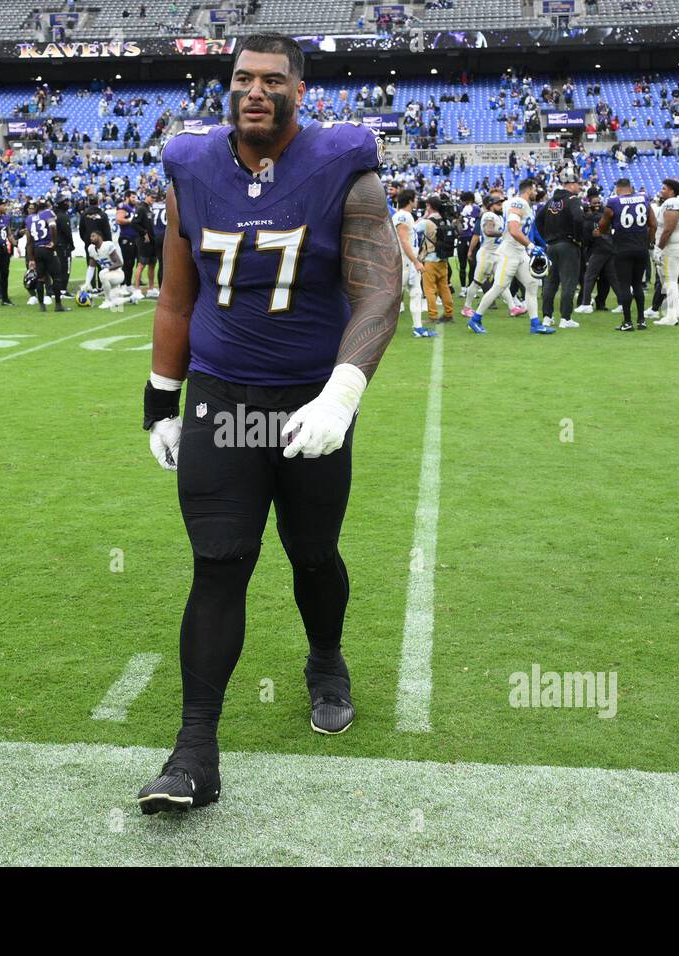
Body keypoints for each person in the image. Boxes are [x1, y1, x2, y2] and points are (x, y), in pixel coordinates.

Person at [137, 33, 401, 813]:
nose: (255, 91)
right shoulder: (191, 167)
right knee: (219, 561)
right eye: (243, 78)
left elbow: (380, 289)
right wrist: (159, 399)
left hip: (310, 401)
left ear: (299, 91)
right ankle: (193, 755)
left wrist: (342, 393)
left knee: (313, 554)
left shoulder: (342, 165)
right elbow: (177, 297)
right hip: (223, 400)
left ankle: (326, 658)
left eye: (272, 80)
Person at [468, 178, 550, 335]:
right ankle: (475, 319)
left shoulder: (521, 204)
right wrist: (531, 246)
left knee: (532, 284)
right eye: (534, 189)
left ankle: (535, 323)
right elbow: (513, 229)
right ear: (529, 189)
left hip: (519, 251)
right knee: (498, 287)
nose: (536, 192)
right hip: (509, 252)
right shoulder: (518, 202)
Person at [595, 178, 654, 332]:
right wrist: (648, 242)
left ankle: (627, 322)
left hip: (623, 249)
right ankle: (641, 321)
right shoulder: (643, 198)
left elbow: (602, 225)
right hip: (641, 248)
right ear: (630, 187)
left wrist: (602, 231)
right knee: (637, 285)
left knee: (624, 285)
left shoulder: (613, 202)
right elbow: (653, 224)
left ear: (617, 188)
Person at [539, 171, 584, 330]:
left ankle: (547, 316)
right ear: (571, 185)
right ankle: (565, 318)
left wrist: (546, 237)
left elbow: (539, 219)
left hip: (551, 246)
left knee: (550, 283)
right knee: (568, 282)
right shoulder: (572, 199)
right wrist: (578, 238)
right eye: (577, 183)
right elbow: (579, 218)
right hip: (568, 245)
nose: (579, 186)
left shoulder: (551, 201)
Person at [392, 187, 433, 337]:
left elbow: (411, 231)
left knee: (416, 293)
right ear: (410, 200)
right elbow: (403, 240)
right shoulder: (402, 216)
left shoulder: (406, 215)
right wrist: (415, 261)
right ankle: (375, 328)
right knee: (394, 296)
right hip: (404, 262)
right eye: (415, 199)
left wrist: (427, 215)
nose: (417, 201)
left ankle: (418, 328)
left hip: (409, 261)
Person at [652, 178, 679, 326]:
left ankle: (671, 316)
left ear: (672, 191)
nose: (662, 191)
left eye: (664, 188)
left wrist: (658, 248)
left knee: (670, 281)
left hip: (670, 247)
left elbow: (668, 228)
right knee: (670, 280)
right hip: (676, 246)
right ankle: (678, 311)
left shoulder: (672, 203)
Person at [418, 195, 455, 323]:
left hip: (430, 258)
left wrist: (423, 216)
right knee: (444, 287)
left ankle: (432, 316)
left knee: (429, 289)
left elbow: (413, 228)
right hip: (443, 258)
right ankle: (449, 314)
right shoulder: (446, 220)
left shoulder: (426, 222)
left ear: (429, 206)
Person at [25, 198, 59, 312]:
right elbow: (53, 225)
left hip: (36, 250)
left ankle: (41, 306)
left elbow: (29, 241)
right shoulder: (47, 213)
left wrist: (31, 259)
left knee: (40, 278)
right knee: (56, 277)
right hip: (47, 248)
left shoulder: (29, 218)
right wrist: (54, 242)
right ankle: (58, 305)